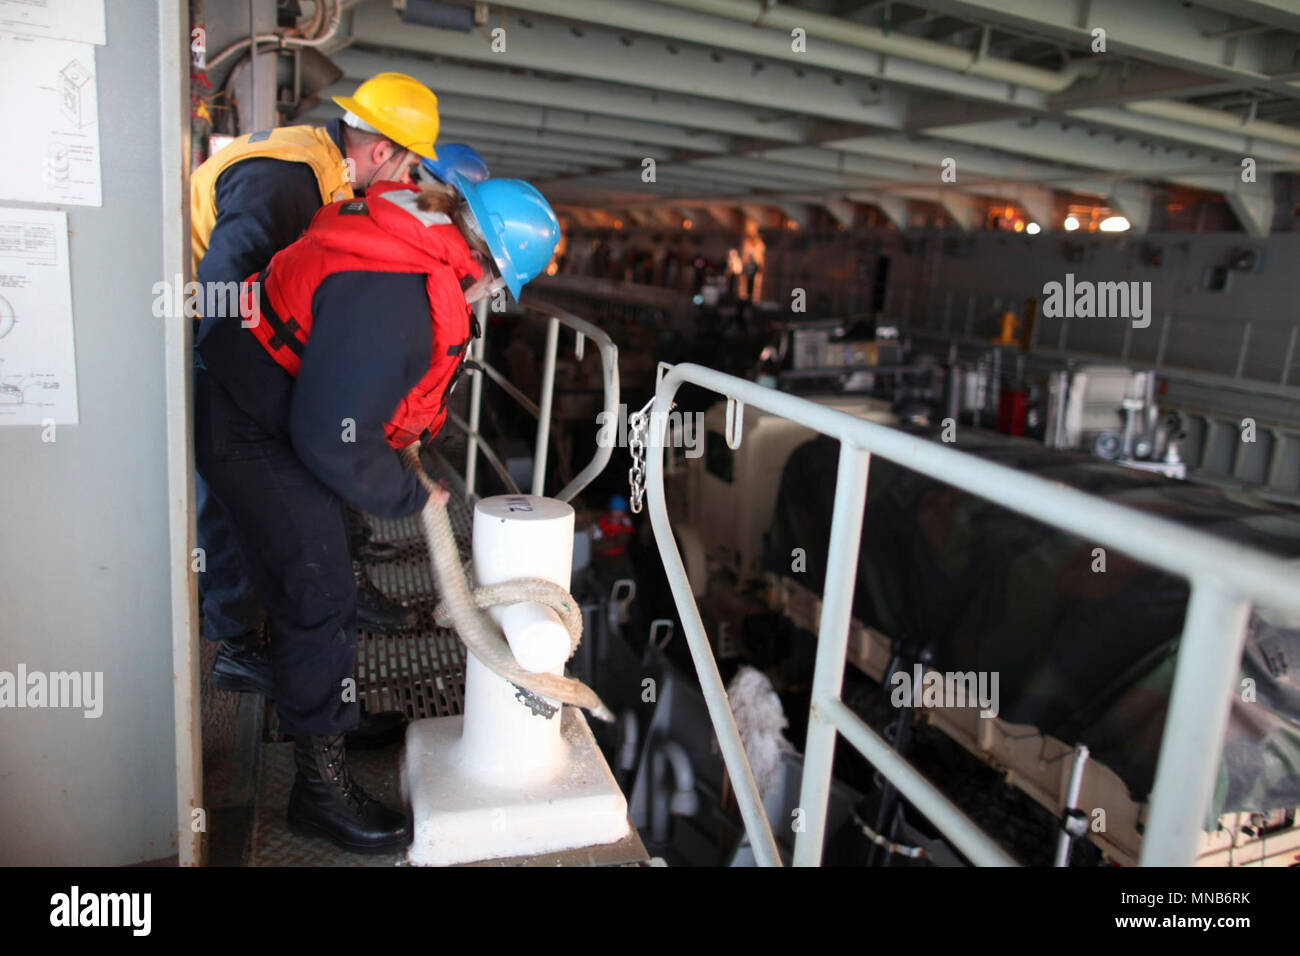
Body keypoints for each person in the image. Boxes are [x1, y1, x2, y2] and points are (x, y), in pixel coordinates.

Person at [194, 177, 561, 852]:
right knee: (321, 592)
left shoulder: (410, 245)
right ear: (490, 272)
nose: (488, 303)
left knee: (319, 560)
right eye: (500, 292)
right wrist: (409, 493)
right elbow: (328, 434)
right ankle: (320, 792)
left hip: (259, 391)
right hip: (246, 419)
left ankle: (324, 712)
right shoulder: (401, 303)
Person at [190, 73, 439, 714]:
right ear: (383, 152)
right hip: (205, 345)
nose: (404, 187)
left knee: (276, 479)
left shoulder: (319, 166)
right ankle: (237, 642)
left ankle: (269, 625)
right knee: (229, 491)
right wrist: (258, 400)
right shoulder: (285, 180)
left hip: (231, 347)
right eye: (408, 168)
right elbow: (225, 284)